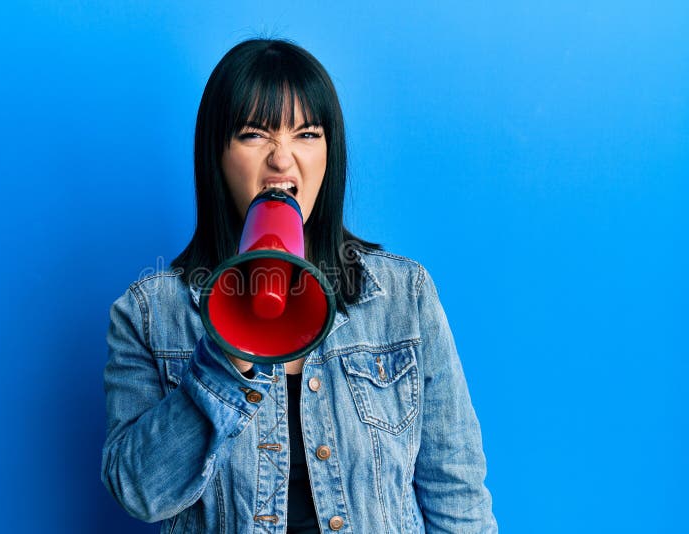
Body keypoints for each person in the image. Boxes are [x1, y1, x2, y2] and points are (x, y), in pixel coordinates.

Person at [101, 38, 497, 533]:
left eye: (306, 134)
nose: (282, 160)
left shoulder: (403, 296)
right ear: (216, 156)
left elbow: (455, 490)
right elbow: (139, 492)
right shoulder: (148, 313)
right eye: (253, 135)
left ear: (330, 154)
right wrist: (227, 355)